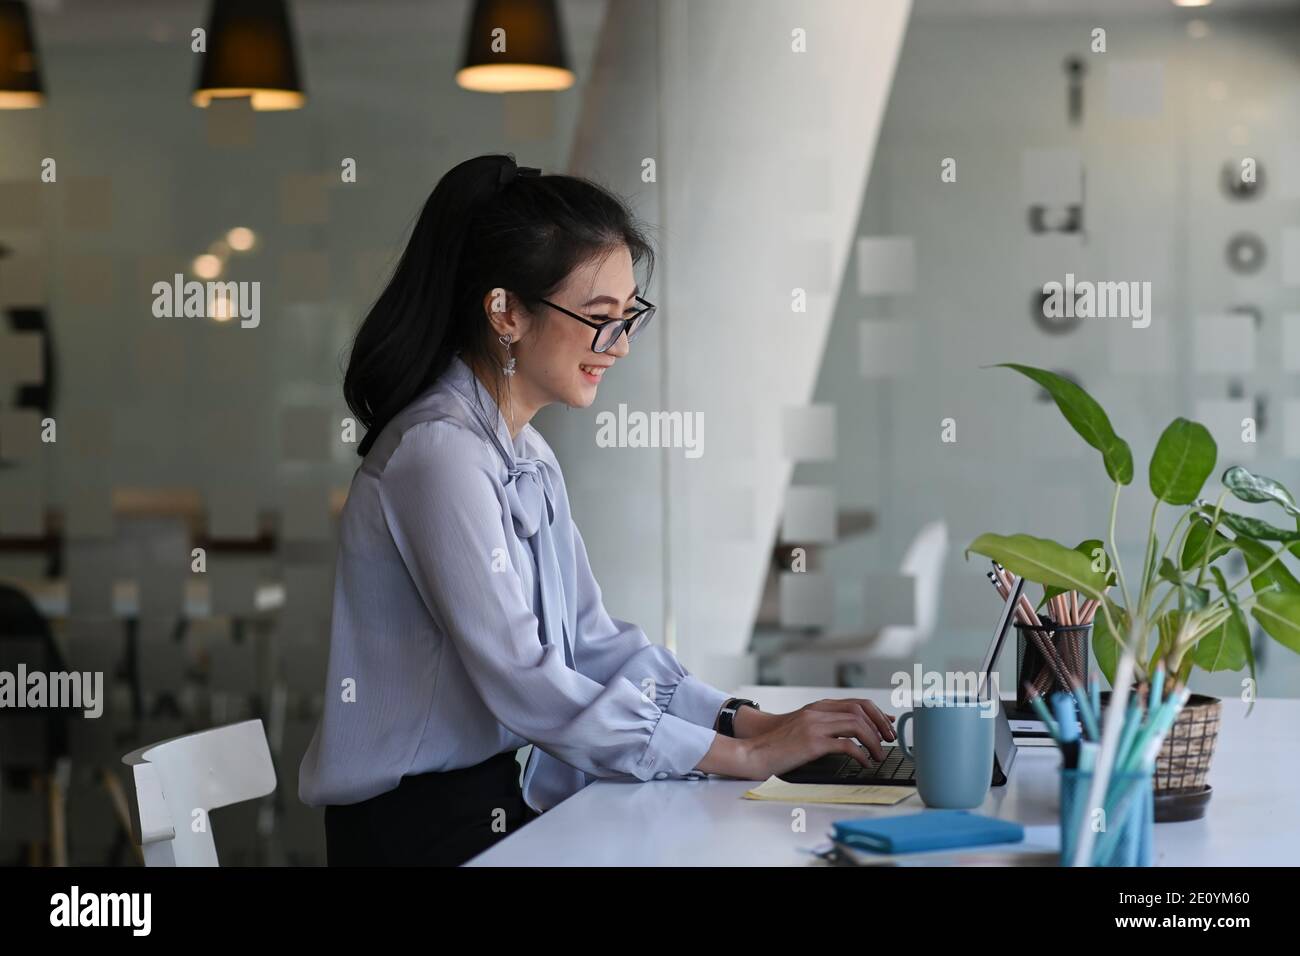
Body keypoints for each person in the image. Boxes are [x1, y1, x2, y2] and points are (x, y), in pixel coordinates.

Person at [298, 154, 895, 866]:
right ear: (506, 313)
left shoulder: (525, 453)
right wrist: (742, 756)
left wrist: (745, 721)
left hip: (493, 802)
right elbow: (525, 681)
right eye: (599, 318)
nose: (619, 345)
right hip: (418, 833)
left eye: (628, 317)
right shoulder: (440, 455)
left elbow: (594, 642)